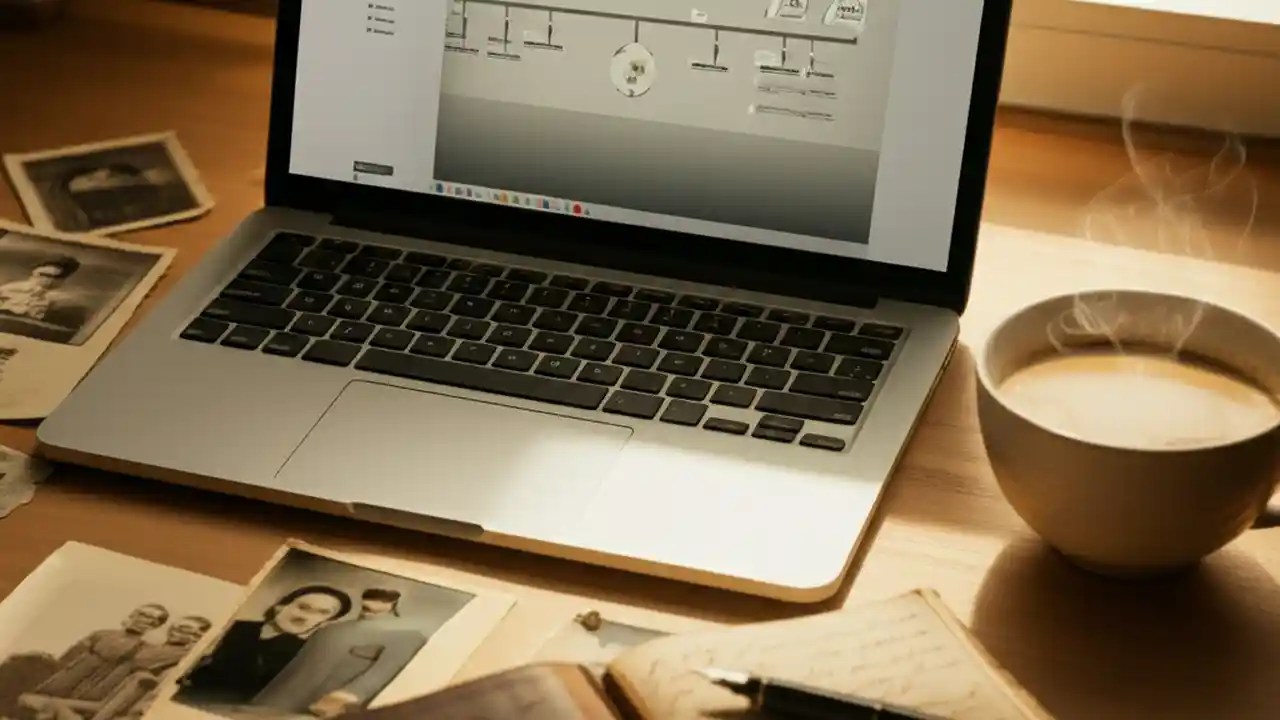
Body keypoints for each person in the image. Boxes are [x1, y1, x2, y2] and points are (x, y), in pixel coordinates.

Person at [252, 589, 428, 718]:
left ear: (393, 603)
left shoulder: (408, 635)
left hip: (320, 708)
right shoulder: (333, 628)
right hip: (273, 699)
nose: (373, 603)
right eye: (370, 598)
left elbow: (386, 670)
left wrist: (347, 696)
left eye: (381, 600)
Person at [177, 586, 351, 707]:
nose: (305, 617)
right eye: (303, 607)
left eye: (322, 613)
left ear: (326, 623)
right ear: (280, 606)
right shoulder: (232, 626)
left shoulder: (304, 654)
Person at [31, 604, 169, 702]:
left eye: (151, 619)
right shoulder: (102, 633)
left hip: (100, 684)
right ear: (133, 614)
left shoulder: (147, 648)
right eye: (142, 614)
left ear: (156, 625)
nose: (143, 620)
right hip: (73, 674)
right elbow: (69, 656)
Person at [0, 256, 80, 322]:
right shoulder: (12, 288)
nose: (48, 279)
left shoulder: (63, 300)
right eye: (44, 275)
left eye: (57, 277)